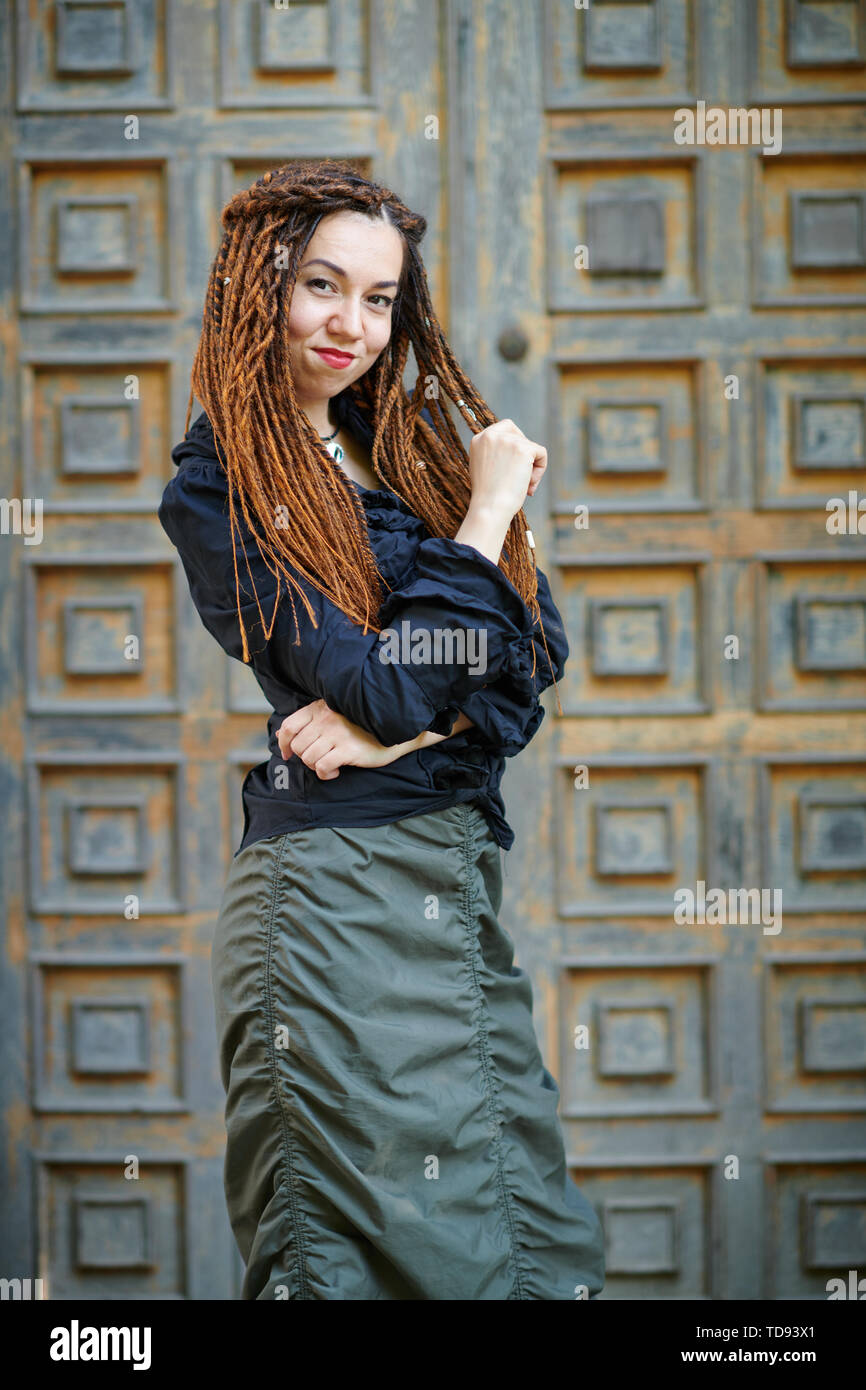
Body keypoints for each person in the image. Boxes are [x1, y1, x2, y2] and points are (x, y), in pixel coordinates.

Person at [158, 158, 605, 1300]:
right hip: (333, 902)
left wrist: (395, 737)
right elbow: (394, 677)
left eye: (378, 297)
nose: (350, 323)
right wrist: (492, 508)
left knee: (516, 1224)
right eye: (321, 284)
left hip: (451, 888)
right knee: (346, 1248)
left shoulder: (399, 456)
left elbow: (528, 665)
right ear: (261, 288)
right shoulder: (219, 488)